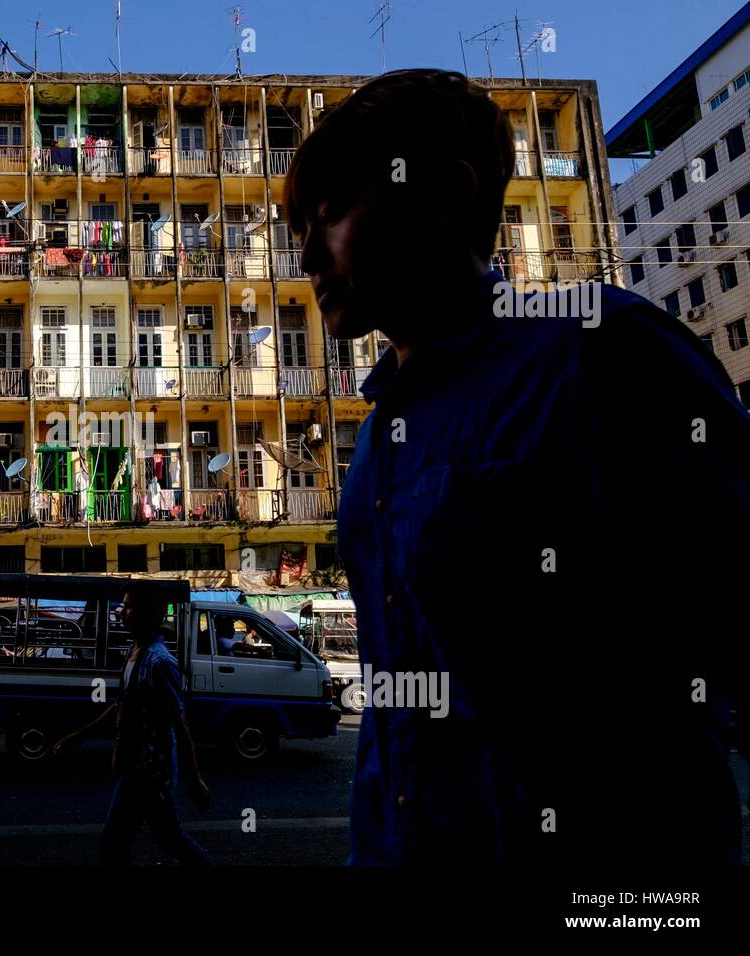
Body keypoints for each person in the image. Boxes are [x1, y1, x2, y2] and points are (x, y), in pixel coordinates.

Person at [283, 68, 750, 865]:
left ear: (448, 196)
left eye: (330, 215)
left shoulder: (603, 354)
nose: (306, 253)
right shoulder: (379, 438)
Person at [53, 591, 211, 865]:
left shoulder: (160, 663)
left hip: (149, 771)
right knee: (163, 837)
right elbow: (123, 705)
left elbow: (179, 723)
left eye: (128, 607)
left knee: (118, 844)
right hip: (135, 767)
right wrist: (79, 737)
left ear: (149, 615)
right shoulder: (135, 652)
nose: (120, 611)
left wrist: (194, 779)